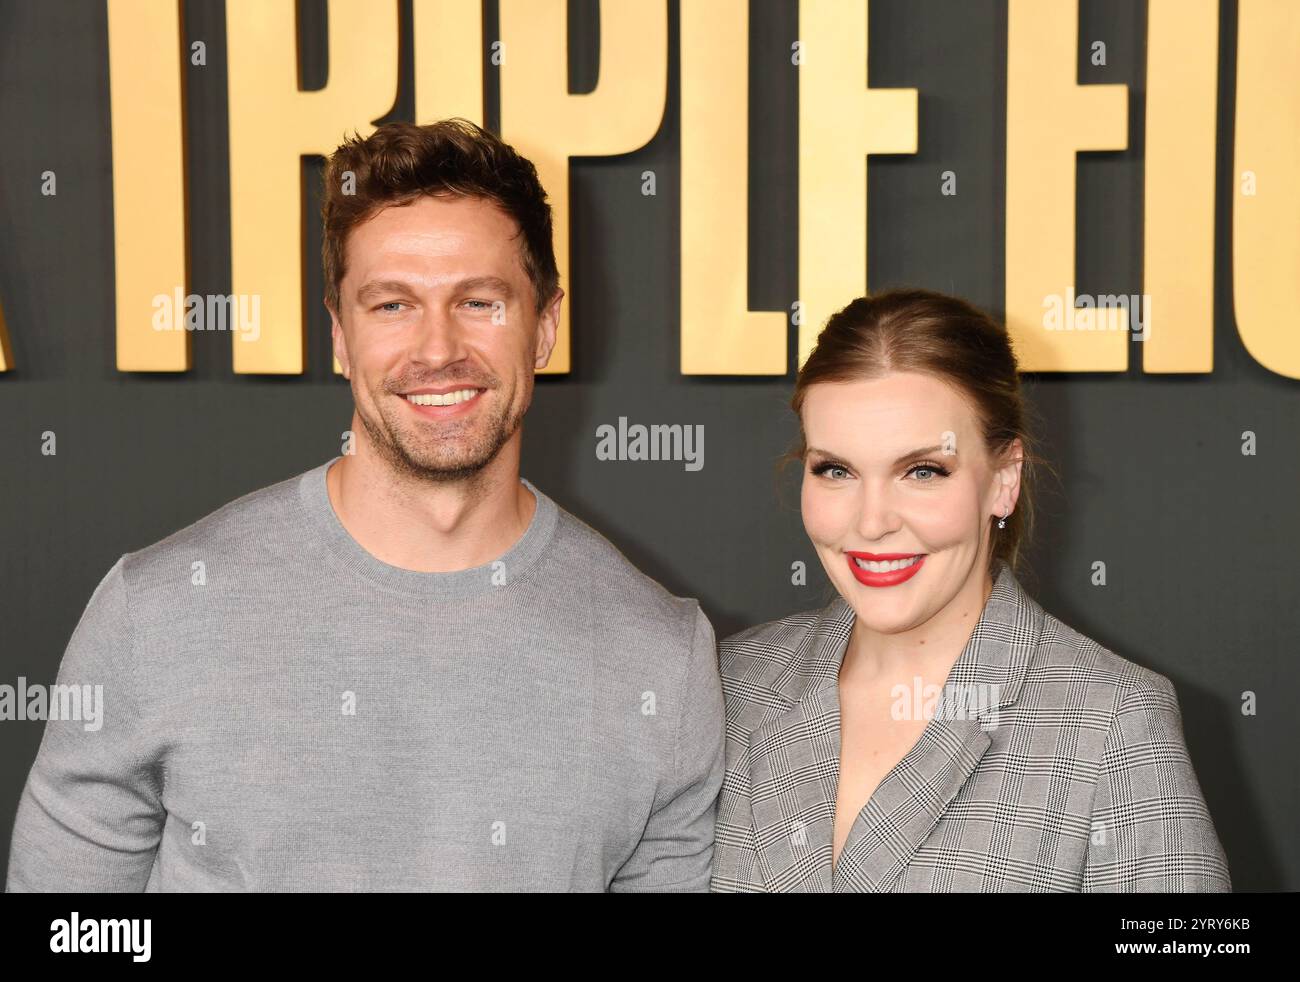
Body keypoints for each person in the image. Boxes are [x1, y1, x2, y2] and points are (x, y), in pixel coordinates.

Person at [7, 119, 724, 892]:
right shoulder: (154, 614)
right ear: (340, 336)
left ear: (544, 325)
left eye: (480, 301)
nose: (438, 348)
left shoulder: (663, 658)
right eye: (391, 306)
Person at [709, 289, 1231, 892]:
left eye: (923, 471)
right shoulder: (731, 688)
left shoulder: (1114, 723)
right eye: (837, 470)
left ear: (1003, 480)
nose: (873, 521)